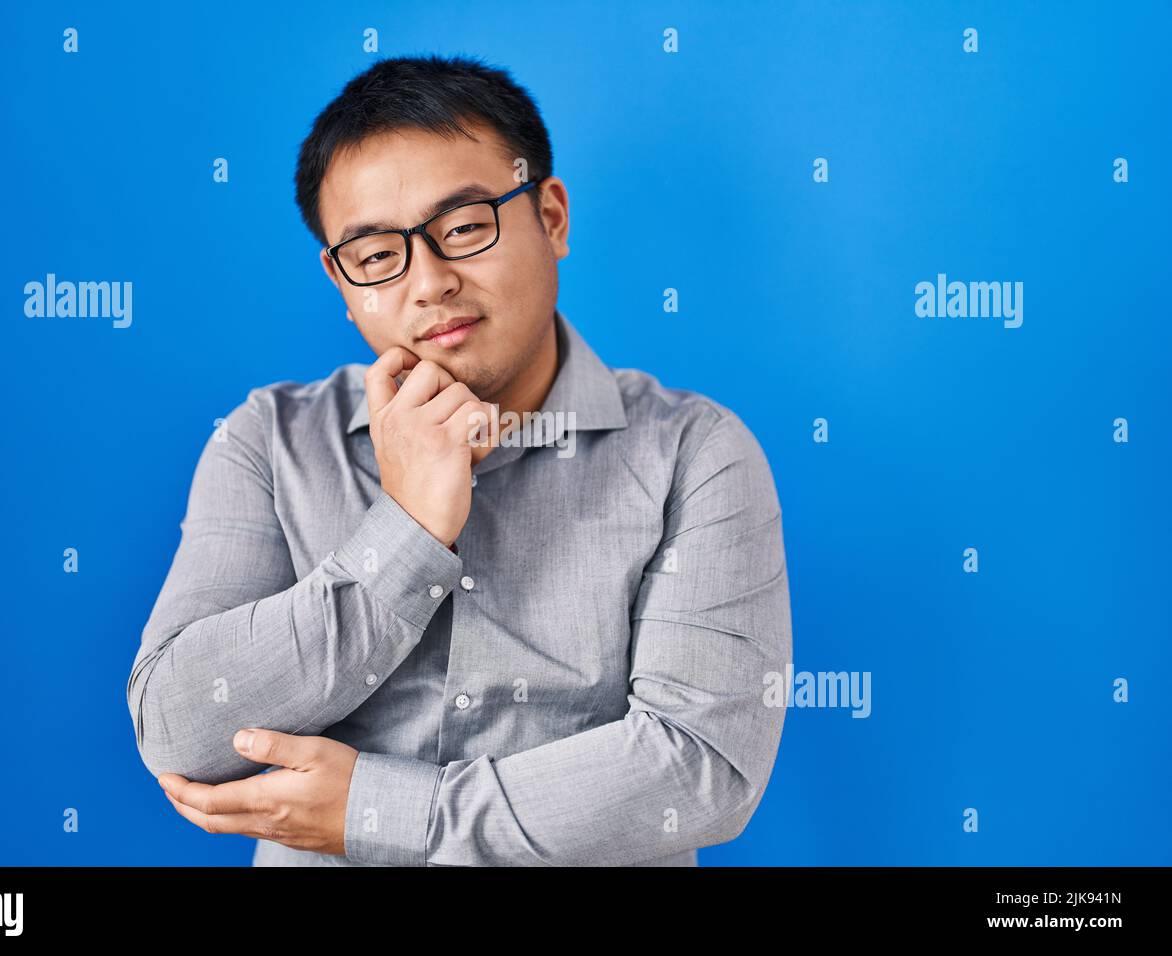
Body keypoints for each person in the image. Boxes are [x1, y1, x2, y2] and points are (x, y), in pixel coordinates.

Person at [126, 53, 793, 867]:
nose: (430, 282)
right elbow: (178, 729)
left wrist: (381, 810)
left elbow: (701, 769)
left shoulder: (695, 451)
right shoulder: (268, 440)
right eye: (377, 256)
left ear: (550, 216)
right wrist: (406, 531)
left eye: (465, 227)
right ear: (342, 284)